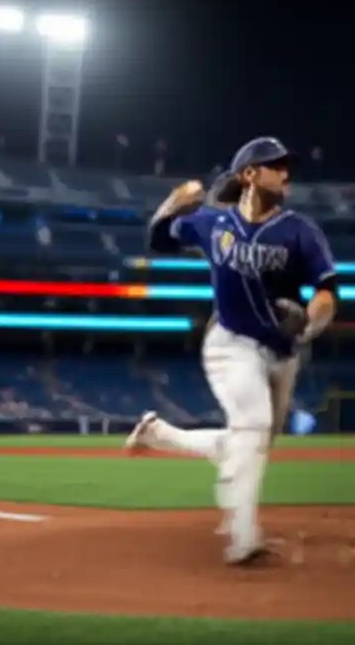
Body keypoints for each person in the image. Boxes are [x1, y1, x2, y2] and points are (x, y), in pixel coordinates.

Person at [125, 136, 339, 566]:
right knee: (253, 426)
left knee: (253, 442)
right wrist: (173, 202)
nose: (285, 173)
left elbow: (327, 292)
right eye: (275, 166)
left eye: (285, 166)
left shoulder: (300, 230)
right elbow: (159, 239)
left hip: (283, 350)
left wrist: (311, 323)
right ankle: (242, 538)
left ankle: (160, 436)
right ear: (249, 175)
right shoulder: (211, 224)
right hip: (230, 342)